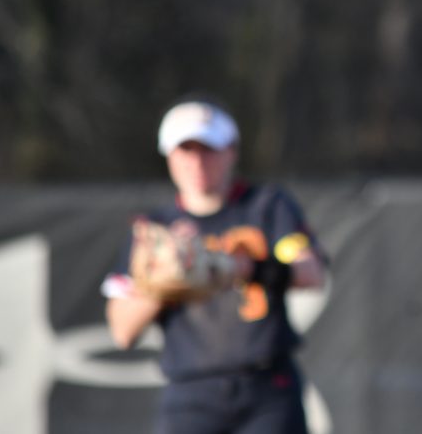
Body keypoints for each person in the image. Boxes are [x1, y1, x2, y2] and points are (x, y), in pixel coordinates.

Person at [102, 95, 327, 434]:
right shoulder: (155, 233)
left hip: (267, 389)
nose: (196, 162)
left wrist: (247, 268)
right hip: (191, 394)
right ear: (169, 156)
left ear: (231, 151)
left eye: (208, 149)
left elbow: (312, 273)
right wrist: (167, 277)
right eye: (185, 150)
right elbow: (122, 332)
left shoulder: (266, 207)